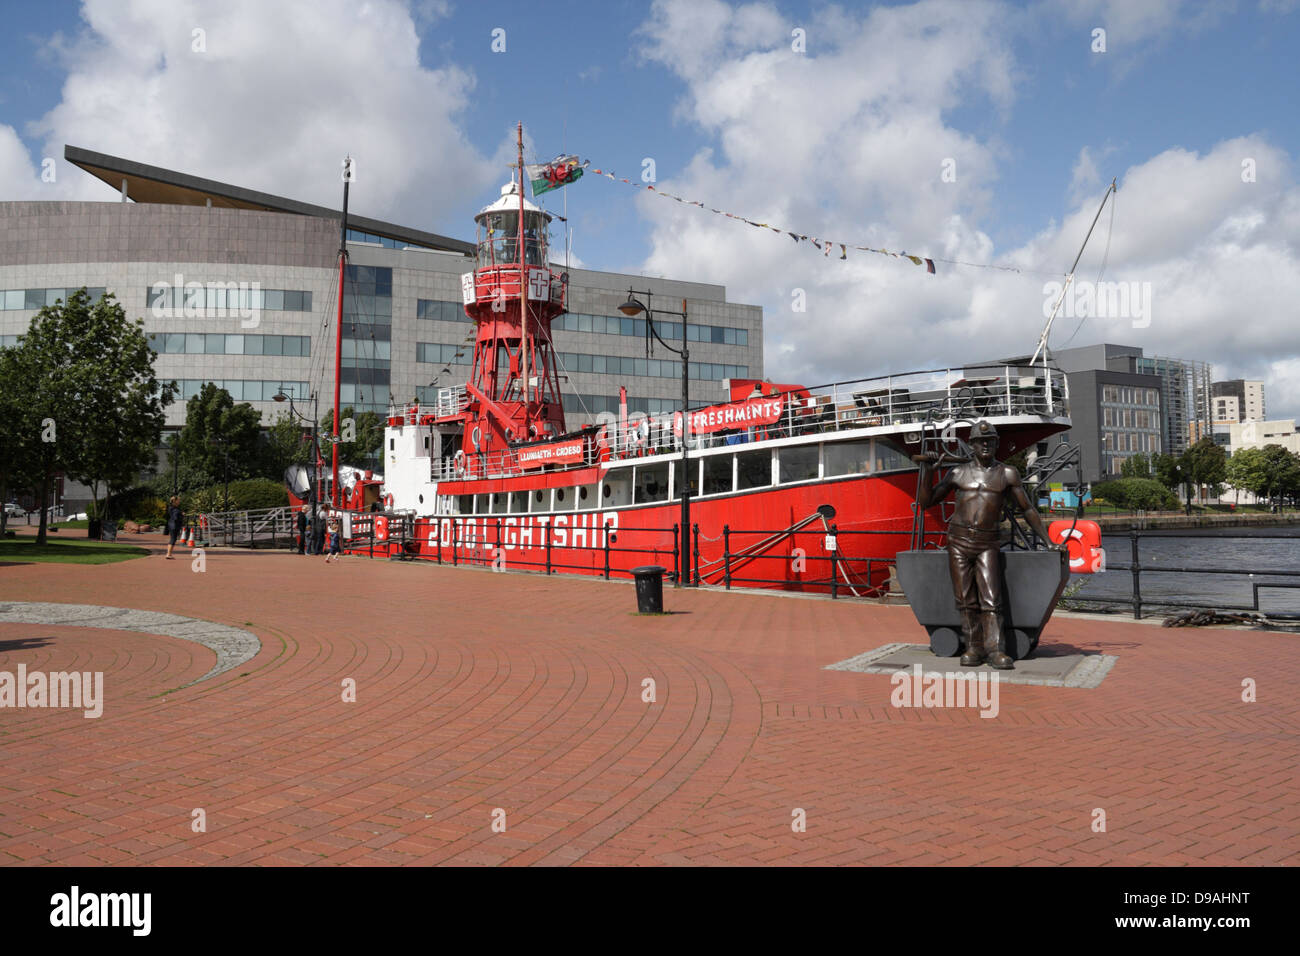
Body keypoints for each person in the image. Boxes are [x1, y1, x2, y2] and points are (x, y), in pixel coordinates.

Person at [914, 420, 1061, 669]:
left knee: (991, 598)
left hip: (987, 542)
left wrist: (1048, 542)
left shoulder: (1006, 474)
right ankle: (974, 647)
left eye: (990, 441)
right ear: (971, 445)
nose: (985, 444)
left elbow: (1027, 508)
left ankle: (995, 650)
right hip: (958, 541)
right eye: (981, 441)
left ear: (996, 444)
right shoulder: (957, 474)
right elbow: (925, 502)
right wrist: (928, 470)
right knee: (965, 599)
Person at [164, 495, 184, 560]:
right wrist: (181, 514)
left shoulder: (171, 508)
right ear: (175, 501)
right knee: (173, 539)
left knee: (173, 539)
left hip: (171, 524)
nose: (179, 502)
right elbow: (175, 516)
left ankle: (169, 553)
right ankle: (168, 554)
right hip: (174, 525)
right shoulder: (174, 509)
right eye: (178, 500)